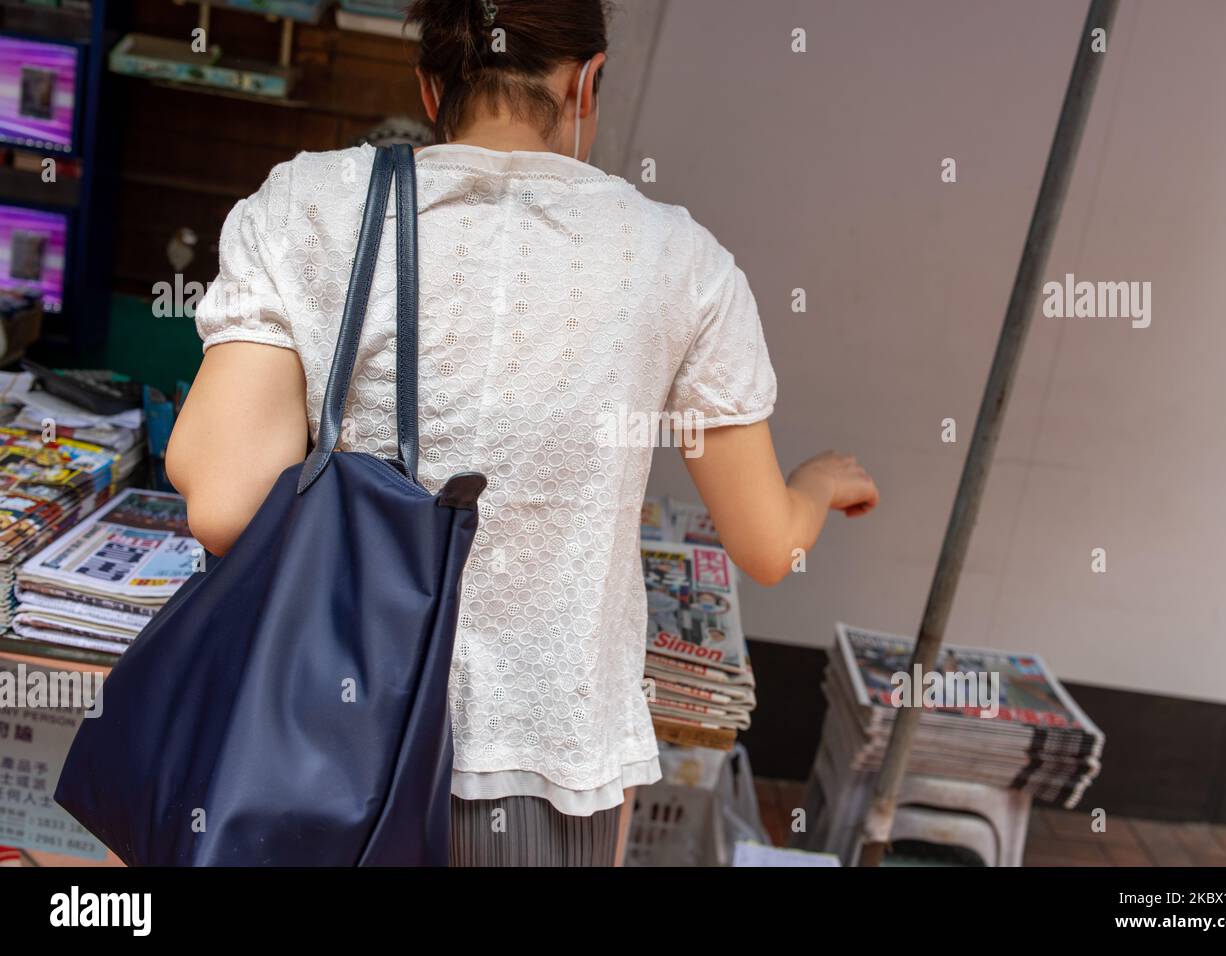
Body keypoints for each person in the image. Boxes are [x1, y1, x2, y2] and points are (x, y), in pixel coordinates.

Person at [166, 0, 879, 867]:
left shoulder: (310, 205)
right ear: (589, 81)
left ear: (432, 86)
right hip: (550, 777)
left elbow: (224, 503)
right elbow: (767, 545)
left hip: (324, 746)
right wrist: (814, 485)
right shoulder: (680, 262)